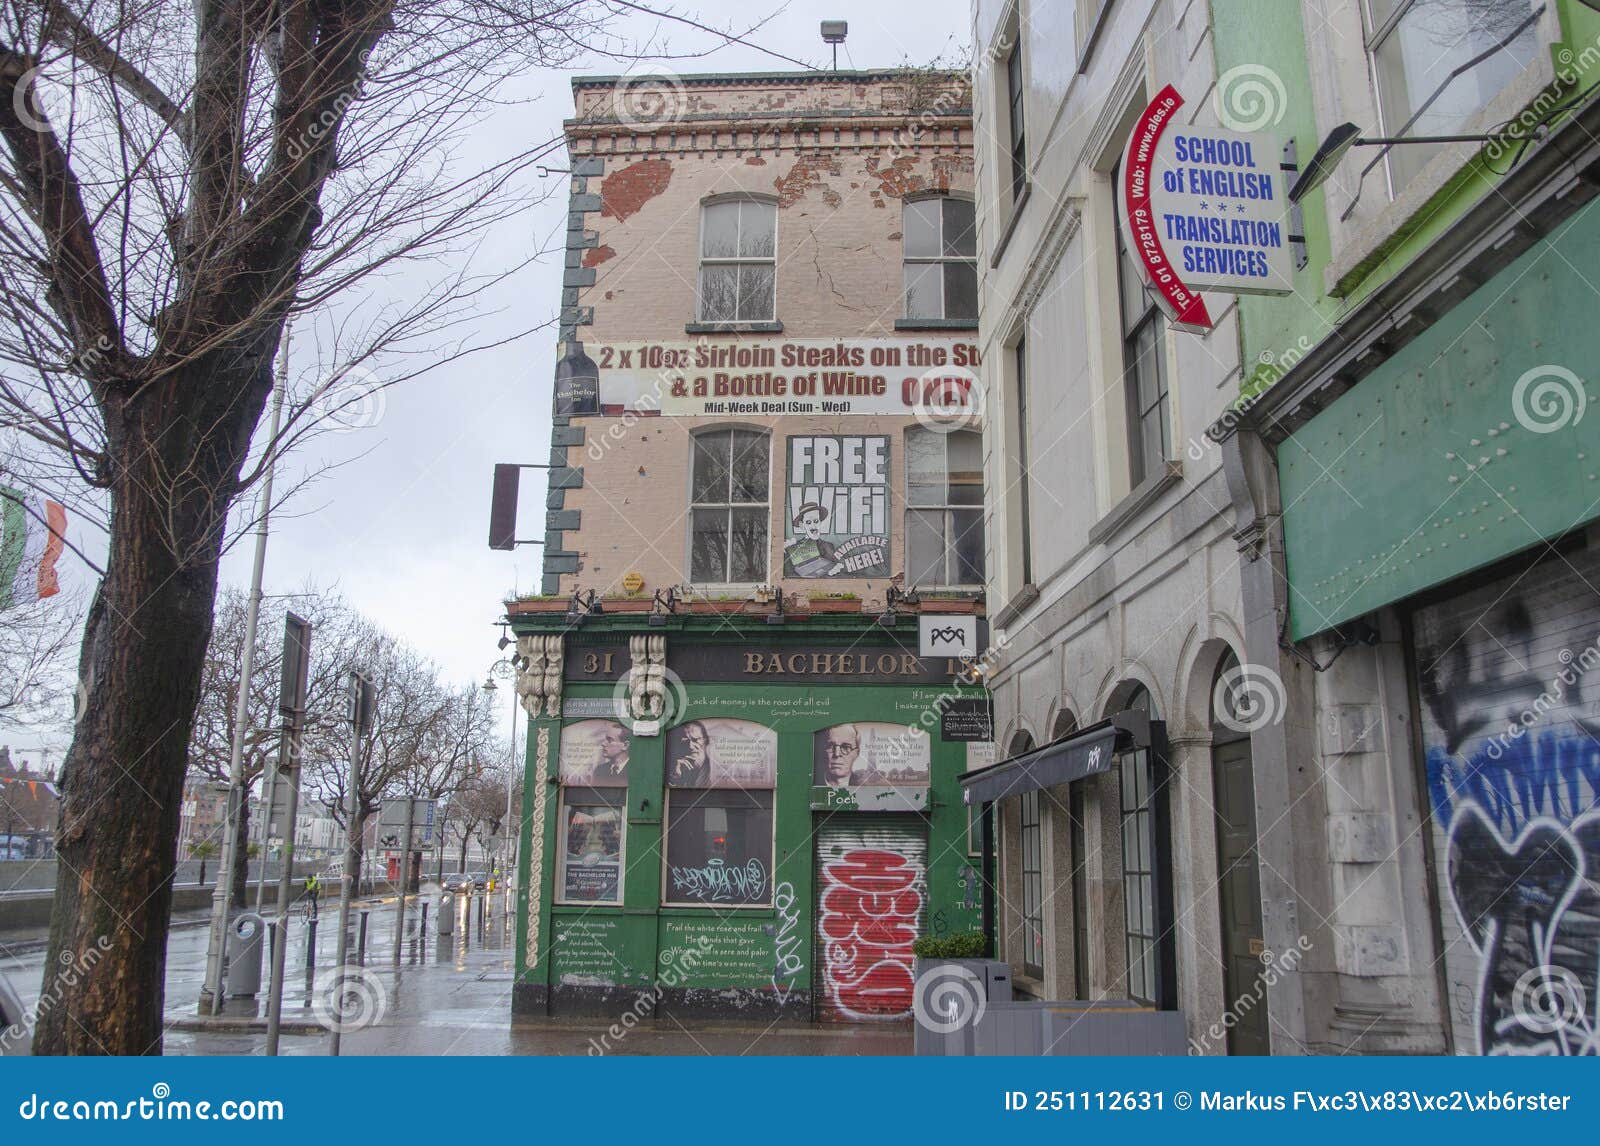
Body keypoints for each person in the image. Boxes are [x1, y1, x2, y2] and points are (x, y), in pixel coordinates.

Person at [784, 502, 844, 577]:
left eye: (816, 521)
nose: (813, 526)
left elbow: (838, 568)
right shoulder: (793, 547)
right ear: (802, 526)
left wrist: (836, 569)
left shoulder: (828, 546)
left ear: (820, 522)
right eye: (808, 522)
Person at [671, 720, 713, 787]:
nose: (690, 746)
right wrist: (677, 776)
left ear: (705, 740)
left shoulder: (712, 771)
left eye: (695, 740)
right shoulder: (680, 765)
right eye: (685, 740)